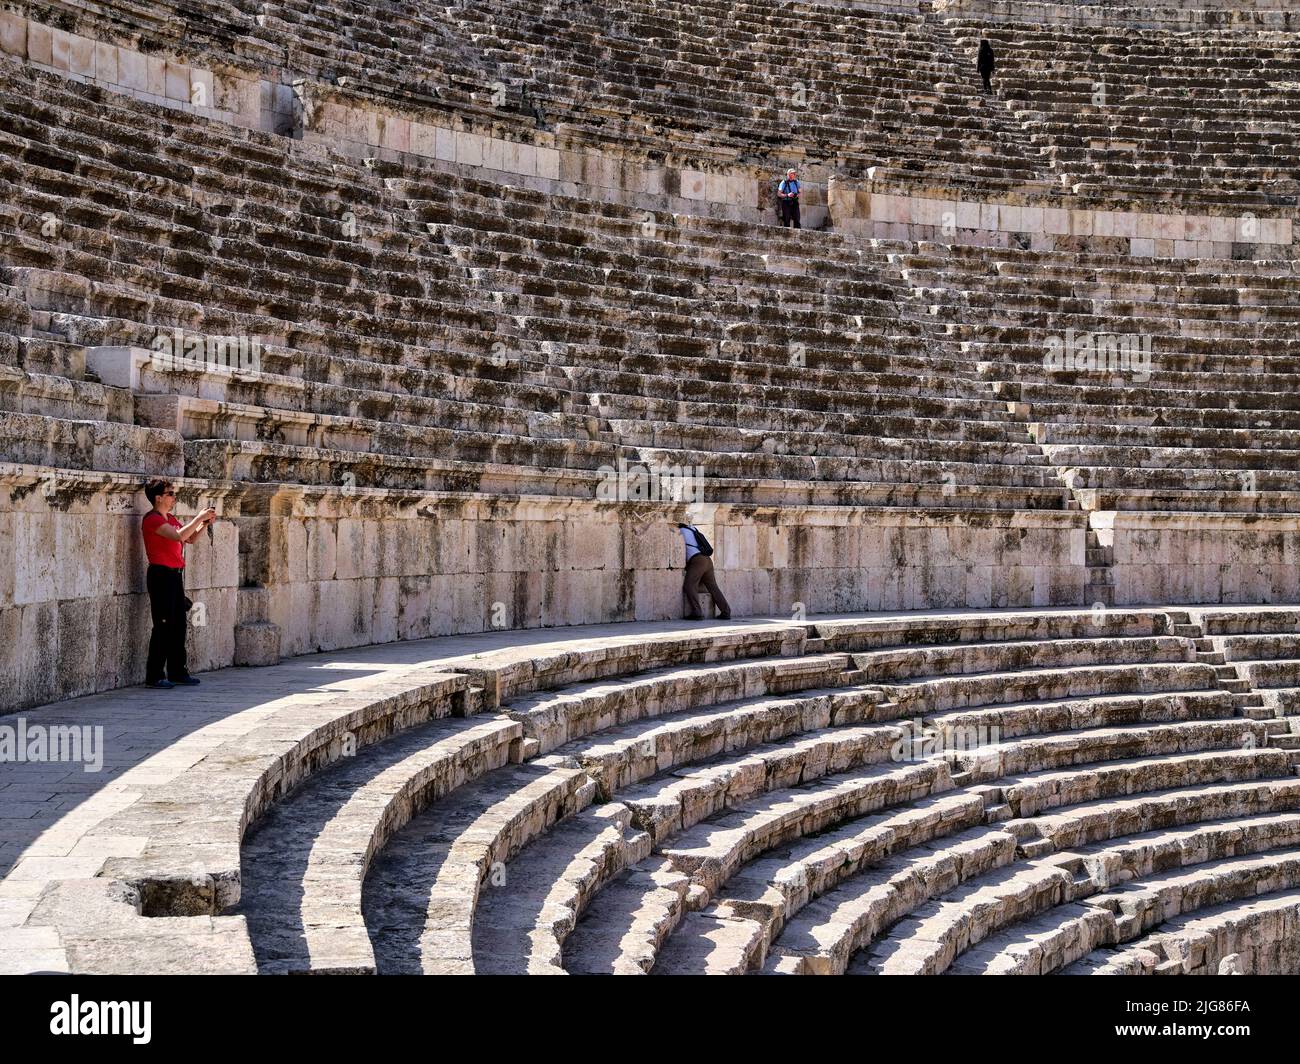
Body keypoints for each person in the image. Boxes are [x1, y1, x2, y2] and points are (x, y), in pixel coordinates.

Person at [141, 480, 216, 689]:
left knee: (179, 625)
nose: (174, 497)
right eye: (170, 493)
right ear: (158, 497)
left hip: (175, 575)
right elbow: (177, 536)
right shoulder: (152, 520)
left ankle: (177, 672)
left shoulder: (170, 518)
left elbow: (189, 539)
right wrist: (198, 517)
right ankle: (154, 676)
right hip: (160, 575)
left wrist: (203, 525)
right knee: (163, 625)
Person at [678, 521, 731, 621]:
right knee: (713, 587)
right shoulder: (693, 529)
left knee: (689, 585)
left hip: (697, 560)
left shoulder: (680, 531)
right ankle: (726, 611)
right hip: (707, 560)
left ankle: (697, 612)